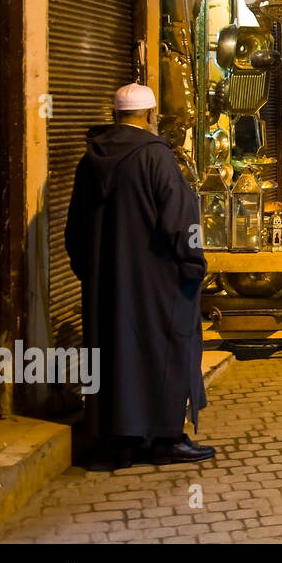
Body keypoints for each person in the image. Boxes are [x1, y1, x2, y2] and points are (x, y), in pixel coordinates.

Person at [65, 83, 215, 467]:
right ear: (150, 116)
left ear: (115, 116)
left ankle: (120, 441)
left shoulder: (90, 160)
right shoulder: (156, 158)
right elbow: (182, 222)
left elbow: (74, 230)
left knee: (116, 356)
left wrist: (92, 273)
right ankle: (165, 438)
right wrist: (194, 263)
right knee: (163, 353)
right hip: (157, 285)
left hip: (106, 288)